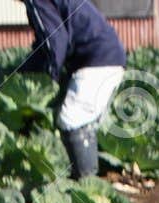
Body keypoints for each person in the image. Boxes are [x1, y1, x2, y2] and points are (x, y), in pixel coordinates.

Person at [18, 0, 126, 178]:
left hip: (97, 61)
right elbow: (45, 45)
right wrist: (23, 71)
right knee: (77, 118)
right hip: (105, 56)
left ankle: (85, 182)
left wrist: (47, 82)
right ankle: (82, 175)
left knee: (71, 118)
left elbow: (56, 42)